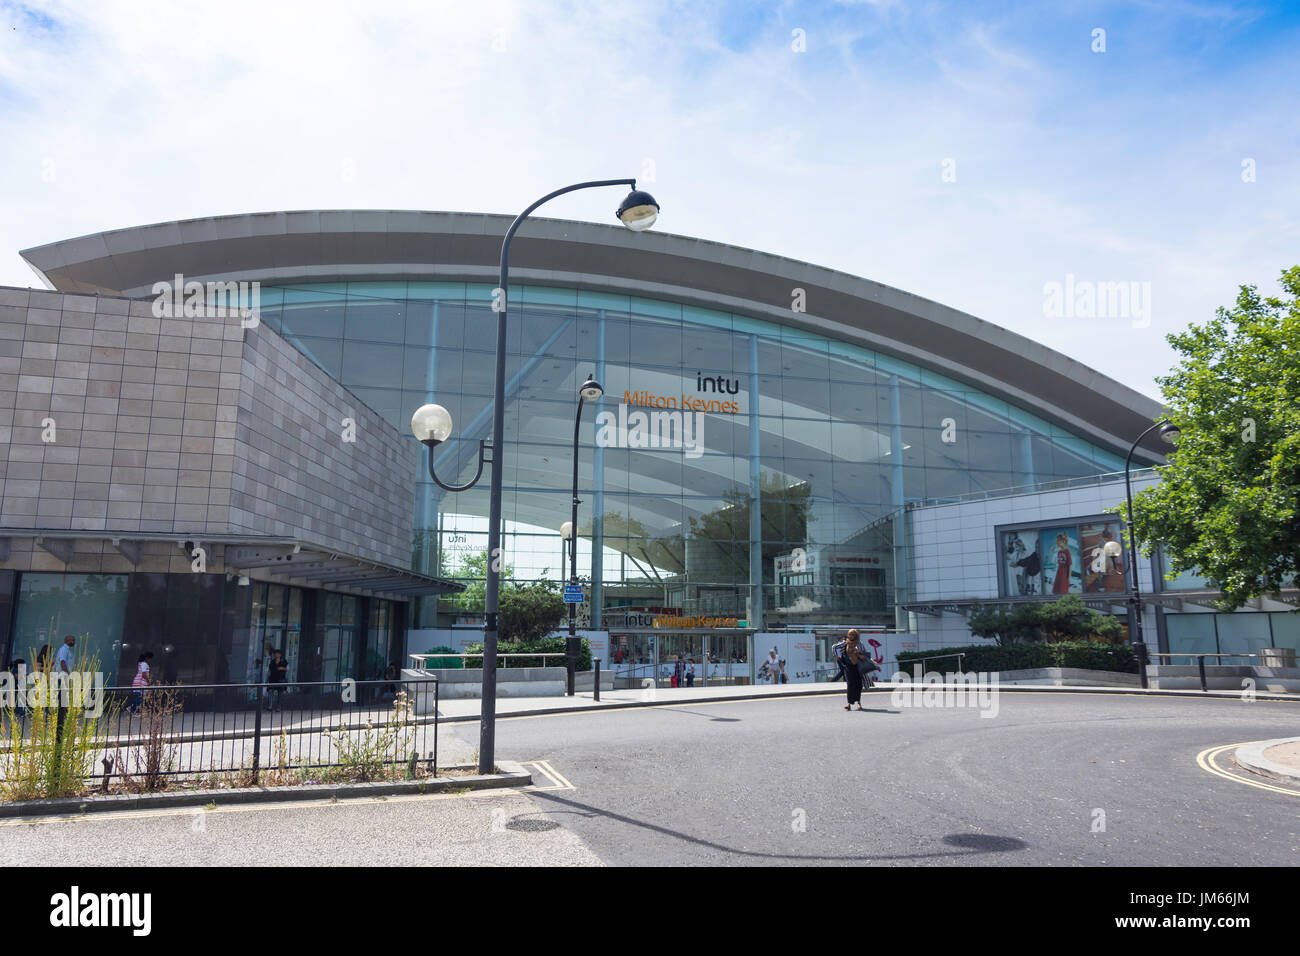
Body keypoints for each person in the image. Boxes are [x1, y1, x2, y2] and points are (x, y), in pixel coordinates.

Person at [832, 629, 869, 711]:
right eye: (850, 634)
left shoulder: (860, 644)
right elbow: (834, 647)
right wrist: (838, 657)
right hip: (848, 667)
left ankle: (859, 703)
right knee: (850, 684)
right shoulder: (844, 643)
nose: (851, 636)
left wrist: (859, 653)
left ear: (856, 636)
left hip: (858, 667)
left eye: (853, 634)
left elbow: (864, 655)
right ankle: (849, 703)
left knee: (858, 685)